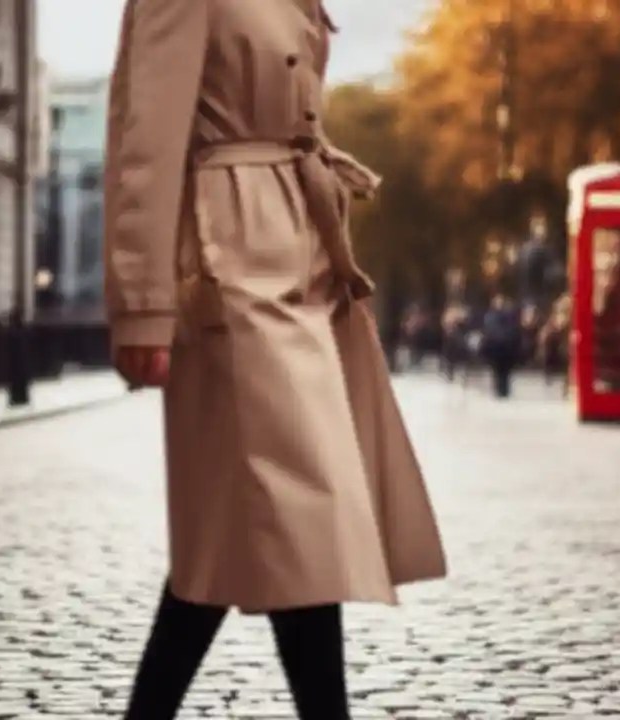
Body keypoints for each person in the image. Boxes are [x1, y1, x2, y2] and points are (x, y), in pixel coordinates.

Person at [103, 2, 448, 718]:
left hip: (298, 252)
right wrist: (142, 303)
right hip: (229, 265)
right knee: (298, 513)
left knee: (244, 535)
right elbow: (146, 139)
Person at [480, 294, 522, 398]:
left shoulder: (508, 315)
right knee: (497, 370)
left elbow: (513, 330)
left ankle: (504, 389)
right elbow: (489, 330)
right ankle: (499, 389)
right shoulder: (491, 316)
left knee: (505, 370)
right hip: (496, 346)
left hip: (505, 346)